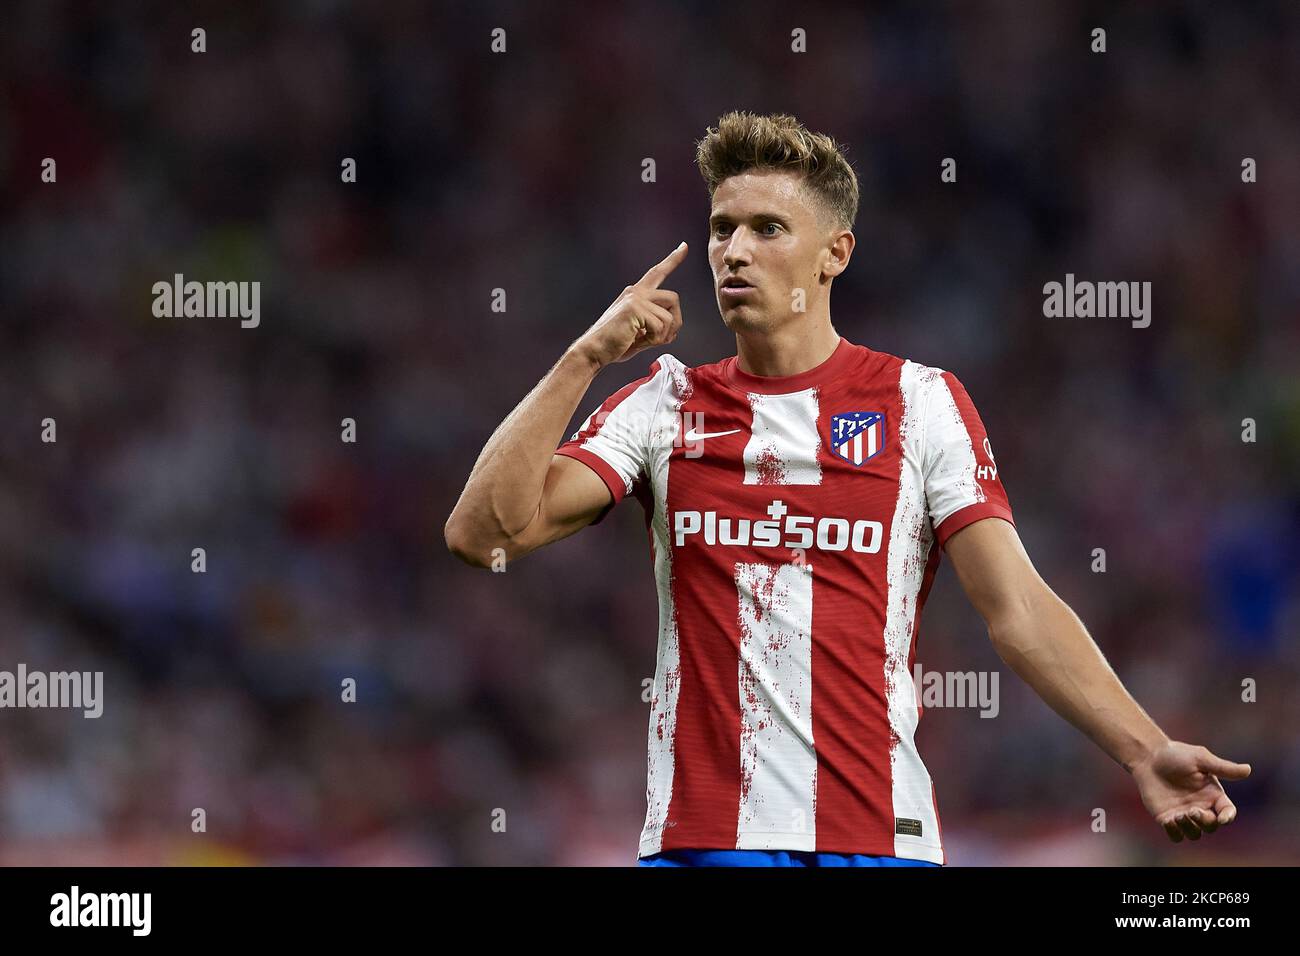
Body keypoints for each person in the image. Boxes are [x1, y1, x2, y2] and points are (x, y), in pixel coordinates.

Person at [445, 110, 1250, 867]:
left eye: (768, 228)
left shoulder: (920, 402)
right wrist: (583, 359)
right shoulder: (666, 404)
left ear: (835, 252)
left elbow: (1018, 609)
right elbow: (482, 536)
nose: (734, 251)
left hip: (879, 835)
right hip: (705, 838)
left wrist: (1144, 749)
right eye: (722, 228)